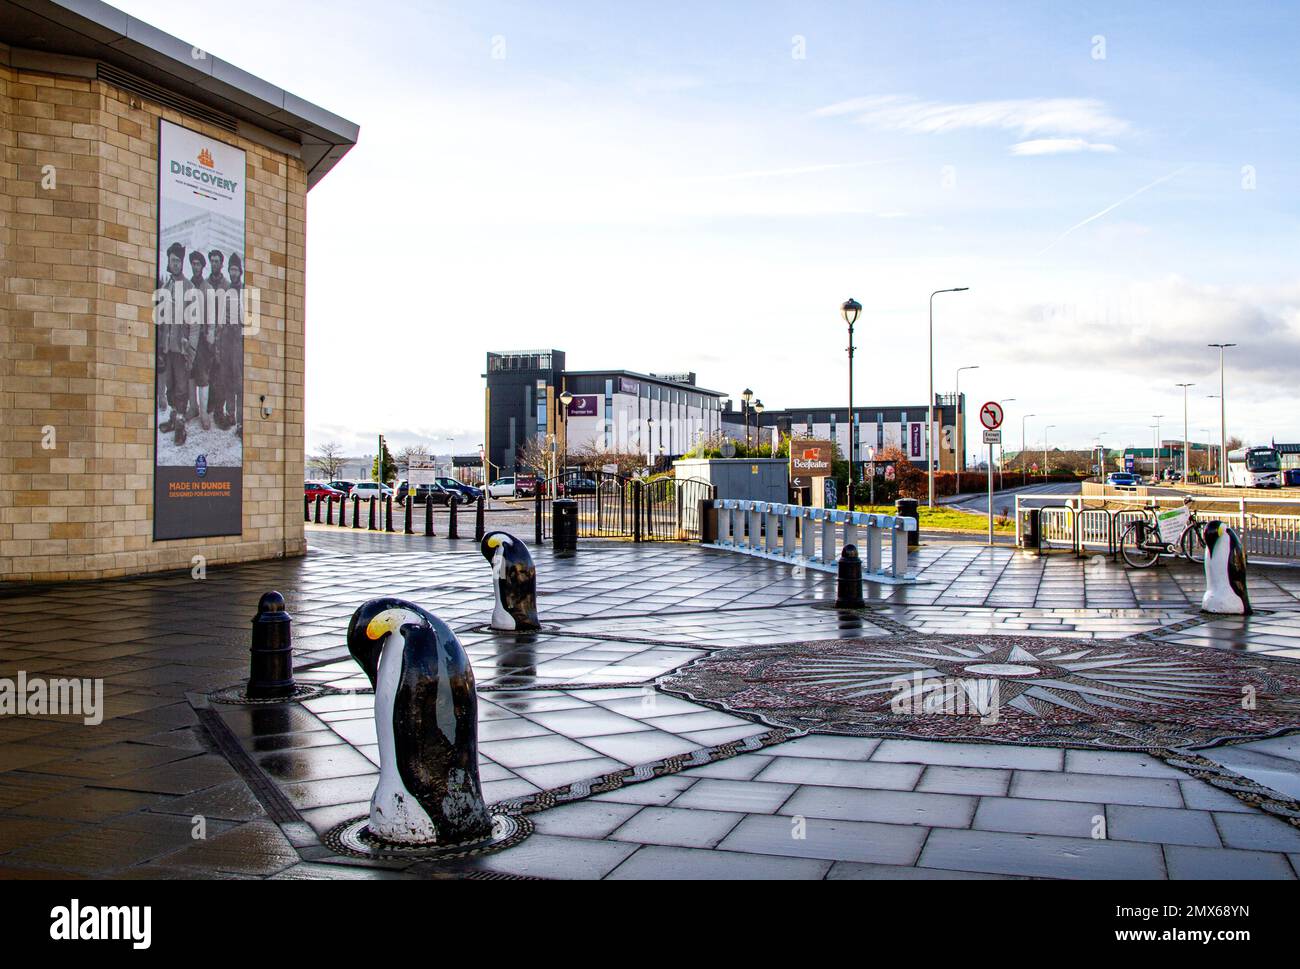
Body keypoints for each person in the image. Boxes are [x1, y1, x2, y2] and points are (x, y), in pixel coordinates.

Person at [156, 242, 195, 446]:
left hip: (181, 350)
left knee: (181, 387)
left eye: (179, 261)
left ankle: (181, 424)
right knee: (170, 385)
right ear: (169, 262)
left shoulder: (189, 288)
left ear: (182, 263)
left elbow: (195, 323)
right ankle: (173, 416)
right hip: (167, 346)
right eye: (173, 260)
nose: (176, 264)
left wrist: (191, 349)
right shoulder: (166, 286)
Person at [187, 250, 215, 431]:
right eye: (193, 264)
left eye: (198, 264)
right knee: (189, 373)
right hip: (189, 336)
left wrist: (211, 332)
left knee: (202, 376)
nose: (195, 267)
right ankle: (193, 408)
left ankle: (204, 414)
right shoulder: (187, 286)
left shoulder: (208, 289)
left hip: (203, 339)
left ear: (202, 267)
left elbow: (211, 314)